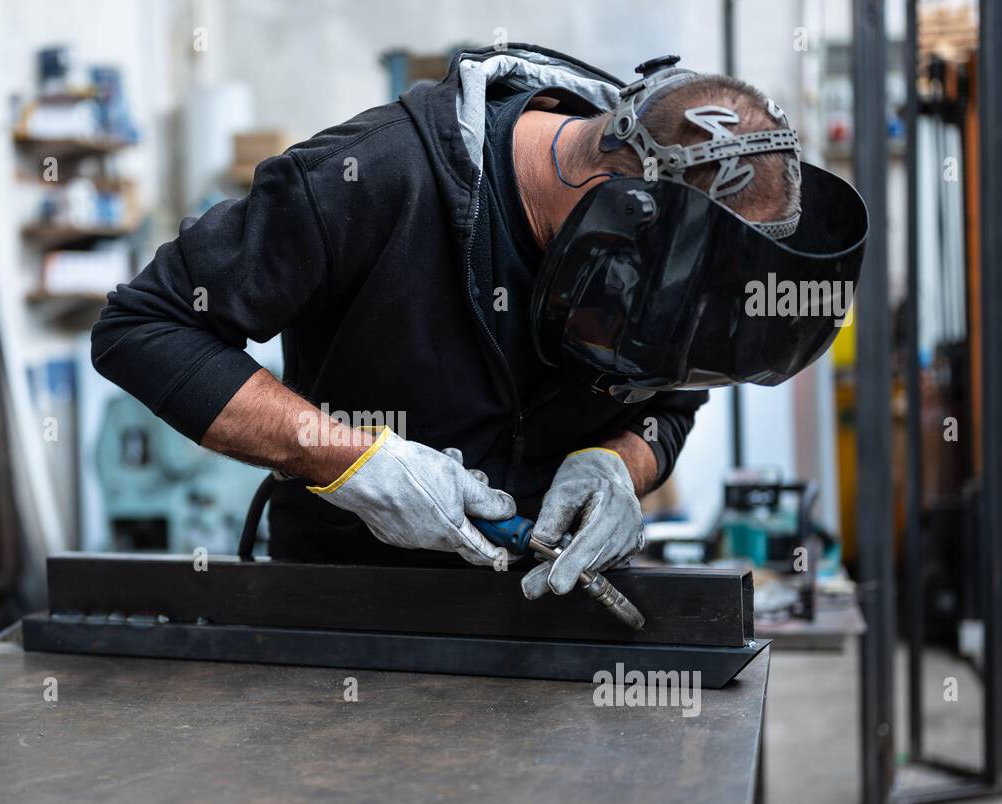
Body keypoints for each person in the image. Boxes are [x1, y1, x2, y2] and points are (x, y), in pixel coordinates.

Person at [91, 45, 866, 600]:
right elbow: (144, 326)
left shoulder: (669, 244)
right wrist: (354, 462)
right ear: (617, 197)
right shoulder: (376, 177)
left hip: (562, 617)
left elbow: (675, 393)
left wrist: (619, 466)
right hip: (352, 618)